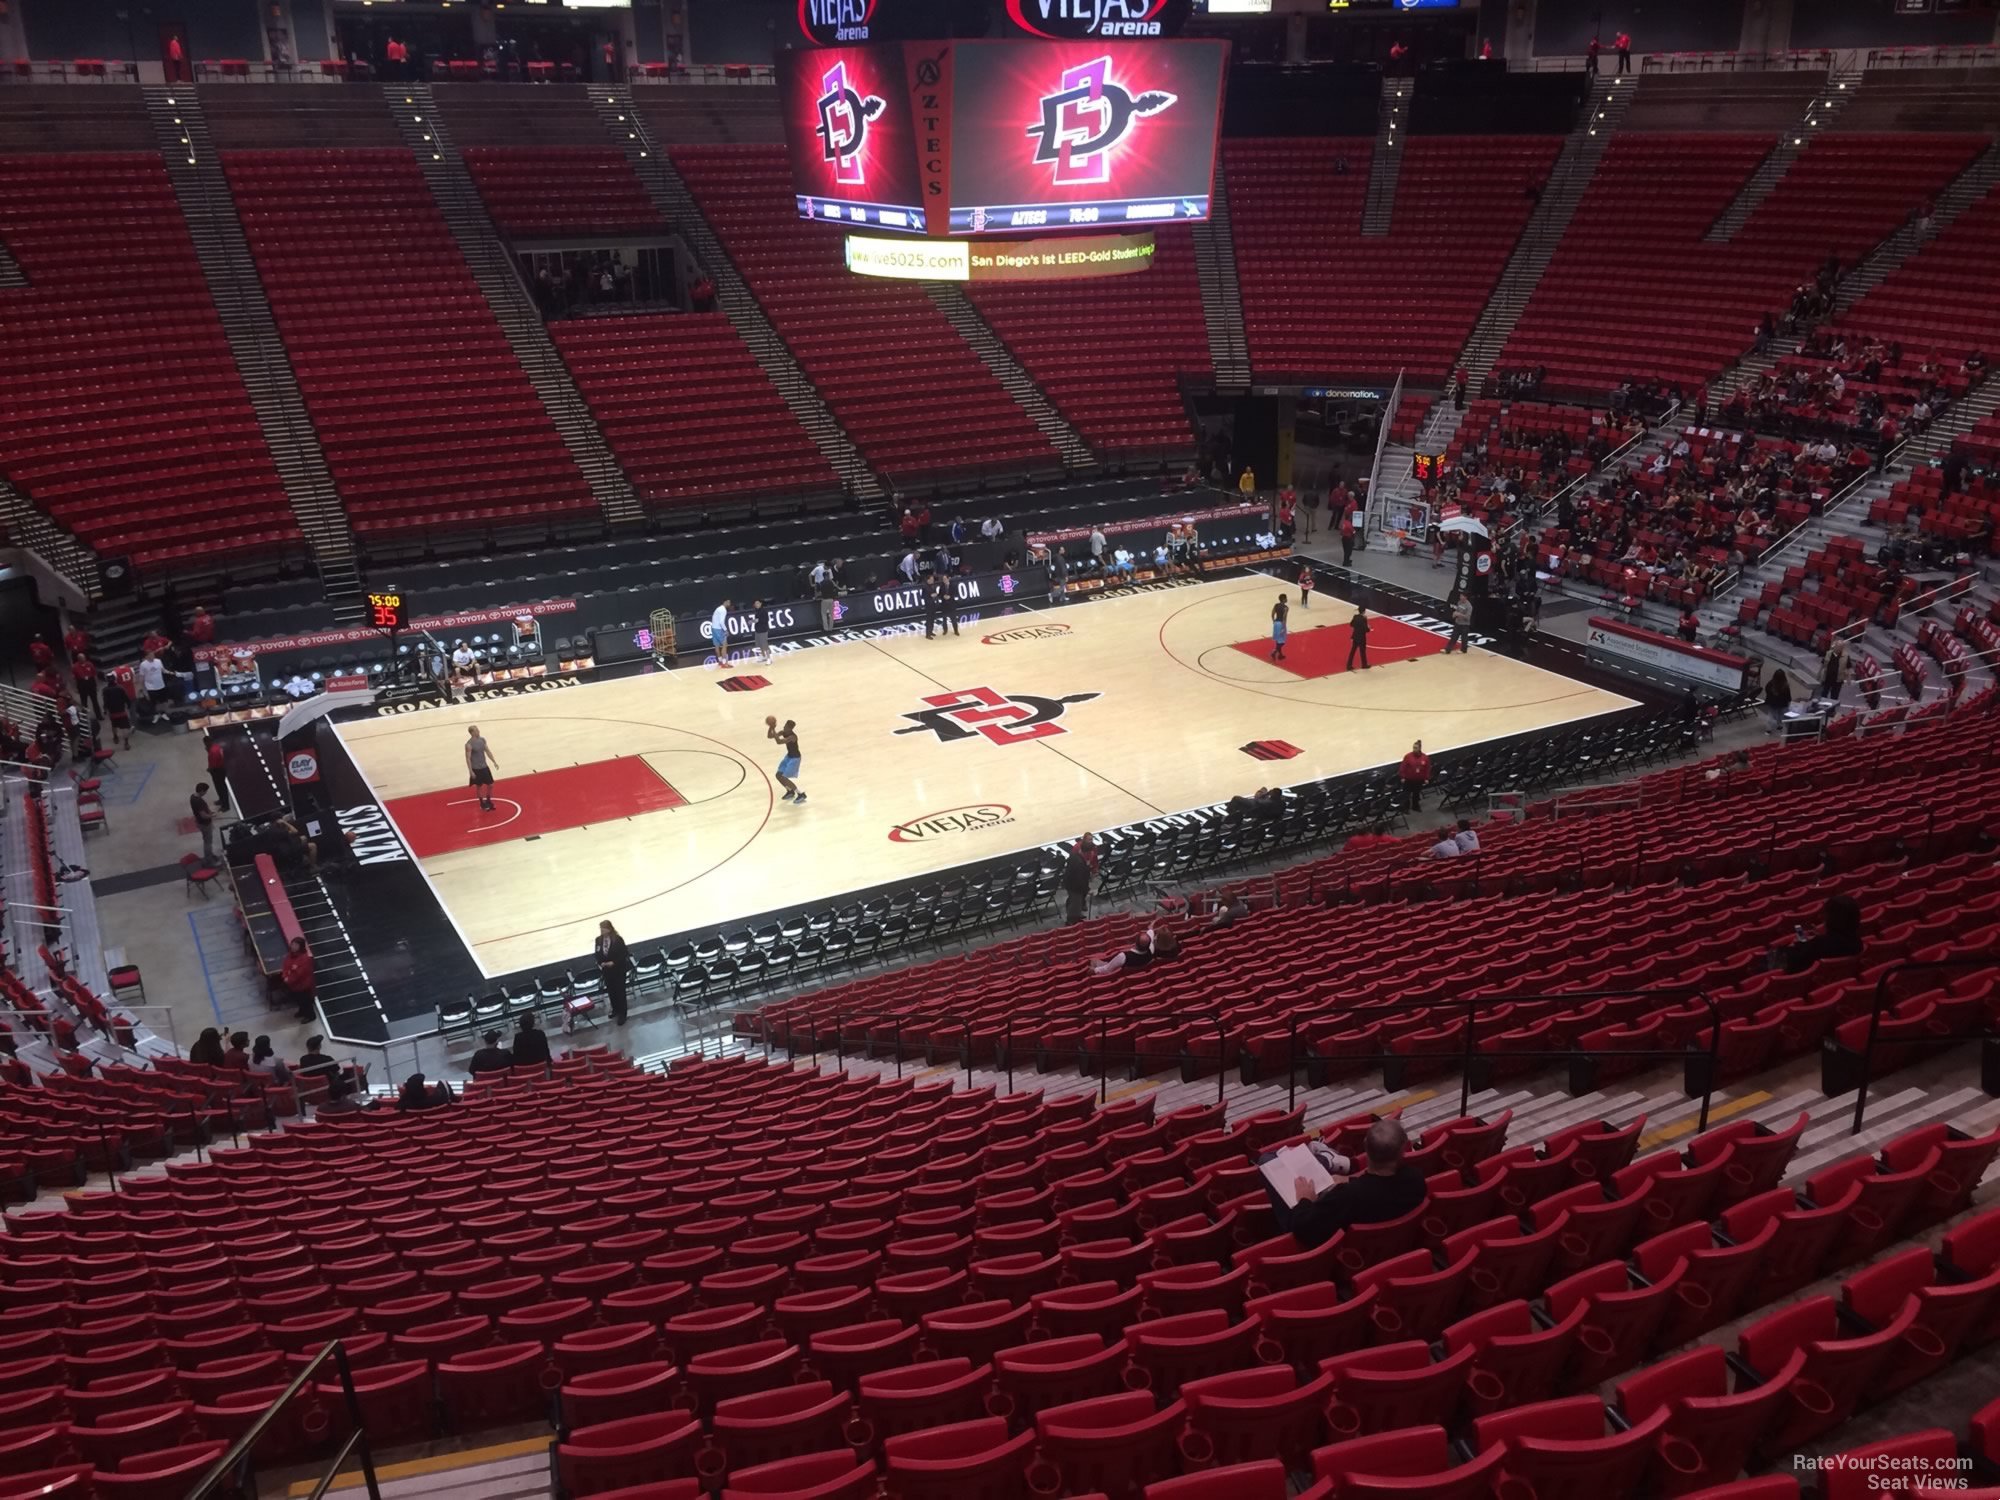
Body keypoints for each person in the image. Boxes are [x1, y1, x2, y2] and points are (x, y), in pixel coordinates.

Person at [1265, 1118, 1426, 1250]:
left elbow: (1304, 1229)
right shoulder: (1416, 1181)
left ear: (1365, 1146)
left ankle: (1327, 1158)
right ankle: (1328, 1159)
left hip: (1337, 1253)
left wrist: (1305, 1200)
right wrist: (1351, 1180)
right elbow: (1381, 1188)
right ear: (1404, 1149)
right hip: (1389, 1248)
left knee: (1266, 1160)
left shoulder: (1346, 1197)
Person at [1779, 895, 1863, 974]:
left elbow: (1787, 962)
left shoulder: (1818, 945)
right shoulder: (1858, 943)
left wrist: (1794, 945)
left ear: (1831, 919)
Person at [1091, 922, 1180, 977]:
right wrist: (1151, 929)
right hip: (1140, 974)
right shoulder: (1152, 952)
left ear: (1135, 943)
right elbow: (1150, 938)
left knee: (1093, 962)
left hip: (1117, 973)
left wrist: (1094, 970)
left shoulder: (1124, 956)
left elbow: (1107, 970)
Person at [596, 920, 632, 1024]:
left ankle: (622, 1014)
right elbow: (597, 952)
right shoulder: (598, 940)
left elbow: (624, 953)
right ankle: (615, 1010)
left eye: (603, 928)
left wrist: (614, 962)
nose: (601, 930)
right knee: (612, 992)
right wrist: (600, 962)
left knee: (620, 992)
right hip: (607, 971)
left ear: (609, 928)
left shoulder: (617, 939)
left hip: (618, 970)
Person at [766, 717, 805, 805]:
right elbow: (769, 736)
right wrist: (771, 727)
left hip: (795, 758)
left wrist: (774, 729)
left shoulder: (793, 737)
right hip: (789, 756)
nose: (784, 728)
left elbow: (779, 742)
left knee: (784, 777)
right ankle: (790, 791)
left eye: (786, 727)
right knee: (778, 775)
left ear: (790, 728)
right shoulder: (784, 732)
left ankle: (801, 793)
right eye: (784, 726)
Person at [282, 936, 316, 1021]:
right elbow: (285, 967)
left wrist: (288, 979)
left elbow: (299, 974)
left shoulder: (305, 959)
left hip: (302, 986)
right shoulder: (290, 956)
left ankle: (310, 1016)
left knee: (305, 1001)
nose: (293, 947)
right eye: (292, 944)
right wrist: (285, 976)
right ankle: (302, 1011)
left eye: (296, 945)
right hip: (293, 986)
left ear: (300, 947)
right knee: (298, 1000)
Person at [465, 725, 498, 813]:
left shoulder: (482, 740)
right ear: (472, 733)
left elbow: (487, 751)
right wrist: (471, 771)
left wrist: (494, 761)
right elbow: (468, 758)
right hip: (476, 769)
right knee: (479, 786)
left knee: (490, 785)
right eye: (476, 731)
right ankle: (482, 803)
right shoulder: (469, 744)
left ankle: (488, 800)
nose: (478, 731)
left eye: (478, 730)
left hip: (484, 767)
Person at [1061, 838, 1093, 924]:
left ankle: (1076, 915)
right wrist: (1087, 889)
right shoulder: (1079, 862)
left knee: (1073, 901)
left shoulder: (1075, 855)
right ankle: (1071, 921)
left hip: (1071, 884)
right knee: (1075, 903)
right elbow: (1079, 879)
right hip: (1075, 886)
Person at [189, 782, 218, 863]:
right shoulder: (199, 802)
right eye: (205, 791)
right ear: (201, 791)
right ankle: (209, 859)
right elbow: (203, 816)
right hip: (205, 824)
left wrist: (210, 812)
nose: (206, 793)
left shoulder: (193, 797)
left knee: (207, 840)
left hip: (200, 822)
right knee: (208, 842)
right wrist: (212, 816)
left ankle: (210, 855)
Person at [137, 651, 168, 724]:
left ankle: (163, 713)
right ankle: (156, 714)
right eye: (150, 655)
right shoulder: (143, 665)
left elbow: (163, 670)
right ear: (146, 656)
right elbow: (141, 677)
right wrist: (142, 688)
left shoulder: (158, 661)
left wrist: (171, 672)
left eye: (153, 654)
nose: (152, 656)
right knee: (154, 702)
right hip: (150, 686)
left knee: (163, 701)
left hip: (161, 684)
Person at [1399, 740, 1430, 812]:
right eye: (1413, 748)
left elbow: (1427, 768)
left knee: (1416, 794)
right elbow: (1402, 767)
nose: (1414, 749)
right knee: (1406, 794)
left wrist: (1426, 778)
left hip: (1419, 780)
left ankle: (1415, 806)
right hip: (1408, 780)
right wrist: (1402, 776)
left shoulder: (1425, 758)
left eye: (1416, 748)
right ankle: (1406, 807)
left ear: (1420, 748)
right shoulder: (1408, 756)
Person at [205, 733, 232, 813]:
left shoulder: (213, 752)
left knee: (221, 788)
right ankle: (221, 800)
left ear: (207, 742)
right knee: (219, 787)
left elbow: (213, 765)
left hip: (217, 771)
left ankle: (225, 806)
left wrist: (209, 769)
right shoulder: (216, 747)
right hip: (221, 769)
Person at [1819, 637, 1848, 703]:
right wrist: (1819, 676)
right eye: (1837, 646)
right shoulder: (1828, 654)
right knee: (1823, 695)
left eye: (1840, 647)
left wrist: (1847, 677)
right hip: (1827, 678)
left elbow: (1848, 667)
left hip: (1837, 681)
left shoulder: (1846, 656)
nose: (1838, 648)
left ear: (1842, 648)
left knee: (1834, 698)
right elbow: (1823, 665)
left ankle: (1831, 711)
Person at [1345, 606, 1371, 671]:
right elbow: (1366, 629)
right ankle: (1364, 664)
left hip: (1355, 636)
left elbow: (1351, 624)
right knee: (1362, 651)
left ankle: (1349, 665)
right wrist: (1368, 627)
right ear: (1364, 611)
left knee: (1353, 651)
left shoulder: (1355, 617)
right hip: (1361, 637)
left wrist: (1357, 627)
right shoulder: (1364, 618)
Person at [710, 599, 732, 666]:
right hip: (718, 629)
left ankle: (720, 661)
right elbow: (721, 622)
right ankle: (725, 663)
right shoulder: (723, 610)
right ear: (724, 602)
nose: (729, 604)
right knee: (725, 644)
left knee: (717, 645)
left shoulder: (718, 608)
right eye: (728, 602)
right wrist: (725, 630)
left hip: (713, 628)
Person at [1269, 594, 1290, 662]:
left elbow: (1272, 614)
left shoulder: (1276, 605)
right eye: (1286, 598)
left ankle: (1280, 655)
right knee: (1282, 641)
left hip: (1276, 623)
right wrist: (1283, 627)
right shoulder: (1286, 608)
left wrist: (1273, 621)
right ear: (1284, 599)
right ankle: (1274, 652)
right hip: (1281, 624)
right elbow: (1284, 617)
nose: (1287, 599)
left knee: (1278, 640)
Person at [751, 599, 771, 664]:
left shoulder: (764, 611)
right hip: (757, 630)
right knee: (759, 645)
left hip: (763, 630)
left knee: (765, 645)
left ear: (761, 603)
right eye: (755, 604)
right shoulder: (757, 611)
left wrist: (756, 620)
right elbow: (756, 620)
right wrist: (753, 621)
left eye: (757, 603)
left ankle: (769, 659)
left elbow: (765, 620)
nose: (756, 605)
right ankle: (763, 656)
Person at [1339, 502, 1357, 567]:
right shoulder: (1349, 524)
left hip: (1343, 538)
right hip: (1348, 539)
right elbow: (1353, 532)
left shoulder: (1343, 523)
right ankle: (1346, 562)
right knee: (1348, 551)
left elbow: (1340, 531)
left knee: (1345, 550)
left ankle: (1347, 560)